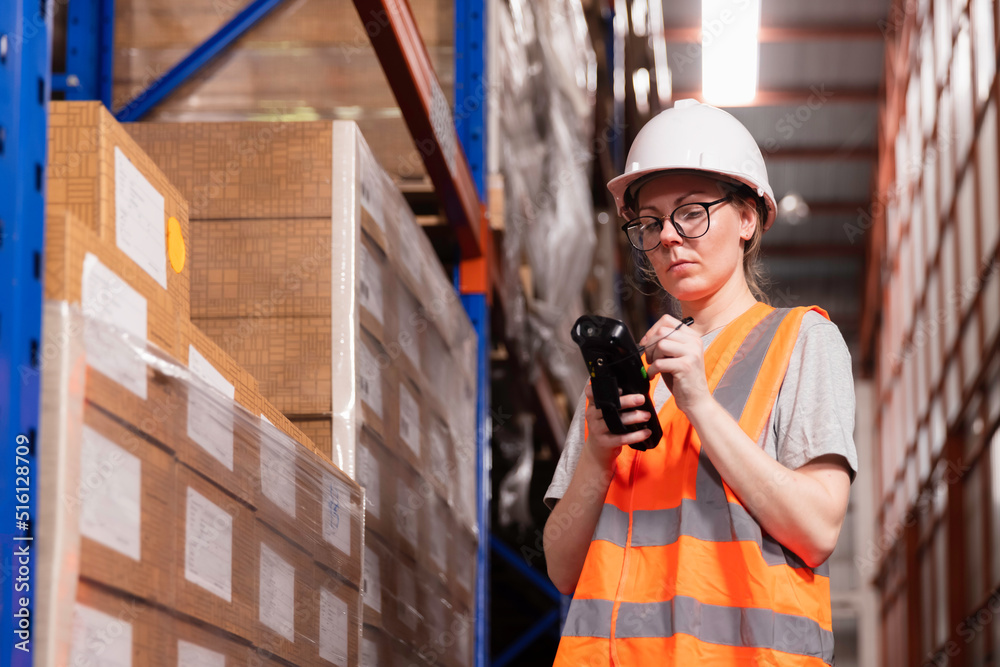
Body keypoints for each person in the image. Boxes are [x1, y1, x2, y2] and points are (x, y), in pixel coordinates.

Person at [543, 99, 857, 666]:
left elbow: (817, 528)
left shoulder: (801, 341)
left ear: (748, 219)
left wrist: (700, 405)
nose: (668, 236)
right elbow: (563, 568)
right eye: (651, 221)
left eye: (692, 212)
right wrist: (595, 458)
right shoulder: (622, 374)